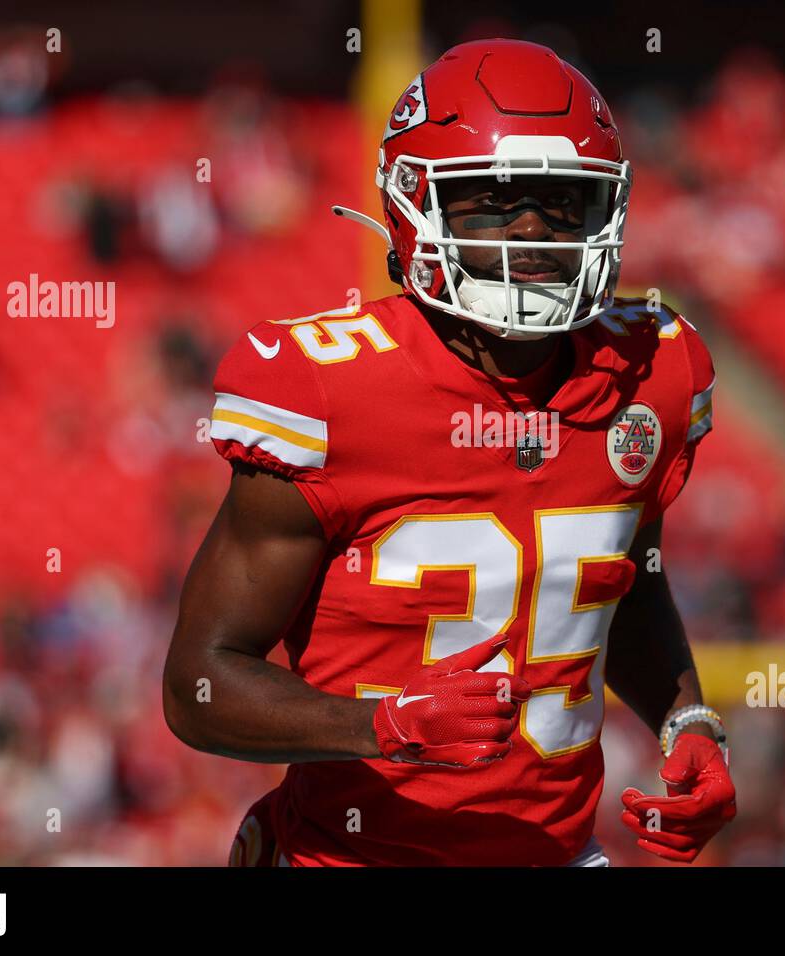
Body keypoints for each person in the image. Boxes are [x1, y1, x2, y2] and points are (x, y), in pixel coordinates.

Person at [163, 39, 735, 866]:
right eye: (495, 202)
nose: (532, 230)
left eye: (561, 201)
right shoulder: (329, 394)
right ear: (415, 204)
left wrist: (686, 720)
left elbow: (622, 580)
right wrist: (380, 726)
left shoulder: (652, 371)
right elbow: (199, 683)